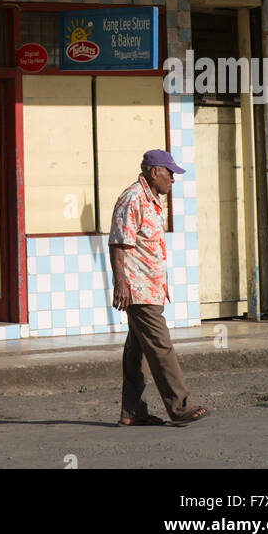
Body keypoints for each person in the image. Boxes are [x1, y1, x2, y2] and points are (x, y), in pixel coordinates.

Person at [108, 150, 209, 426]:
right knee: (160, 347)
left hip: (149, 287)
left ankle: (132, 412)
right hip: (138, 290)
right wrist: (121, 283)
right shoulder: (133, 199)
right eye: (170, 173)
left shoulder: (151, 201)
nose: (173, 180)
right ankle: (180, 406)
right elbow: (118, 243)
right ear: (155, 172)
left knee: (137, 352)